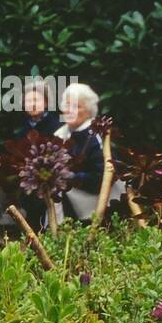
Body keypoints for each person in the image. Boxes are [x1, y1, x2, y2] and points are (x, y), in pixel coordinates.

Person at [13, 79, 62, 231]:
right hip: (29, 187)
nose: (32, 104)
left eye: (36, 99)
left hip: (52, 186)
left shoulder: (56, 126)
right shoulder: (22, 129)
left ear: (46, 102)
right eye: (28, 100)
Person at [55, 83, 105, 222]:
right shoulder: (59, 135)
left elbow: (101, 177)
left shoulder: (95, 136)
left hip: (92, 210)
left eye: (77, 106)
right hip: (64, 208)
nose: (70, 110)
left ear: (89, 111)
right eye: (67, 105)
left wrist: (72, 177)